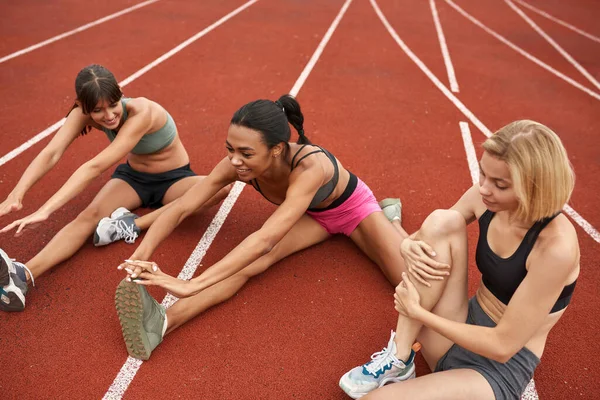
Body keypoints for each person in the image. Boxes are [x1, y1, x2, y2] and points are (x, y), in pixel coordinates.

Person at [111, 94, 449, 361]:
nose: (234, 161)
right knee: (249, 266)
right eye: (229, 149)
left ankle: (390, 220)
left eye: (245, 153)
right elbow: (183, 205)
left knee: (413, 289)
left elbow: (267, 237)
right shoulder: (236, 164)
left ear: (276, 150)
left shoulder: (310, 167)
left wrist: (190, 283)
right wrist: (140, 255)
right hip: (310, 215)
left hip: (351, 208)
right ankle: (163, 322)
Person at [339, 120, 579, 400]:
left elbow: (502, 345)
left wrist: (418, 314)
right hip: (460, 324)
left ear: (534, 187)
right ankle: (400, 358)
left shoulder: (554, 248)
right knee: (443, 220)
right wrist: (406, 244)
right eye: (482, 174)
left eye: (499, 184)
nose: (484, 188)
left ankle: (391, 221)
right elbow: (431, 236)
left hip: (495, 369)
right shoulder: (486, 198)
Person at [0, 64, 229, 312]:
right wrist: (16, 194)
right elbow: (51, 153)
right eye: (97, 110)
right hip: (134, 179)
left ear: (120, 92)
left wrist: (46, 209)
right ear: (82, 104)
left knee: (218, 190)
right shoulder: (82, 112)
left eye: (112, 104)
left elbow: (95, 166)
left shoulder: (143, 112)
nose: (108, 115)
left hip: (174, 179)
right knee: (87, 217)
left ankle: (131, 225)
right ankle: (22, 275)